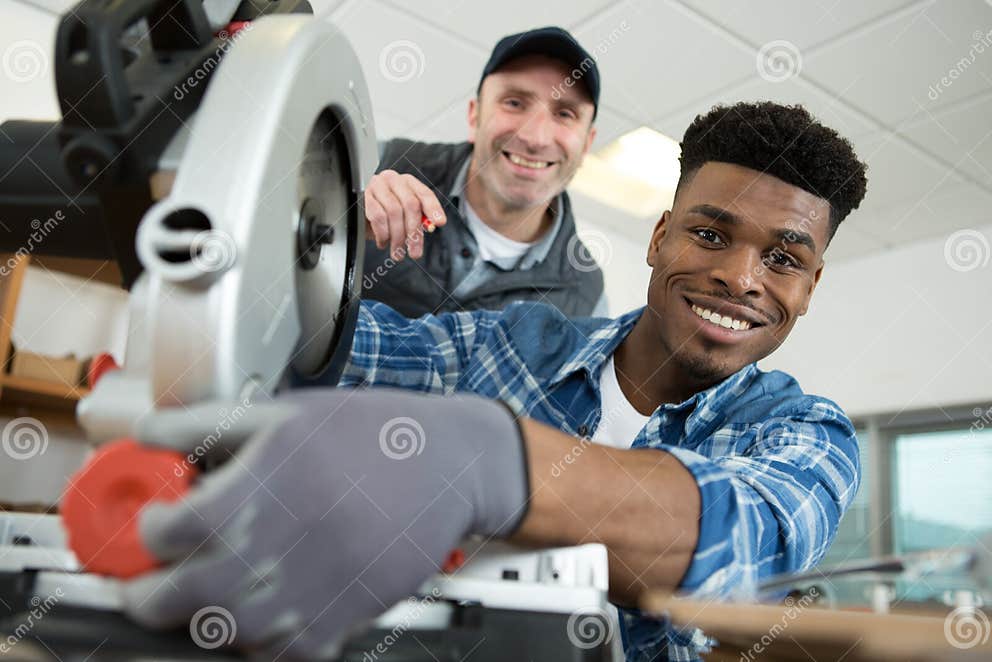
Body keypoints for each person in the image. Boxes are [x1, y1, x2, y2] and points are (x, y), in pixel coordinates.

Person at [122, 101, 869, 661]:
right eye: (709, 235)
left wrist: (487, 458)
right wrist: (317, 227)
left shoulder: (806, 434)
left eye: (784, 259)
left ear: (812, 283)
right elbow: (302, 344)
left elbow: (751, 540)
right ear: (658, 235)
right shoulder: (509, 342)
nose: (739, 278)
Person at [362, 27, 606, 318]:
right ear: (474, 115)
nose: (536, 137)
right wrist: (340, 212)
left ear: (587, 143)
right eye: (514, 103)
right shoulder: (378, 161)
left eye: (565, 114)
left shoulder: (587, 299)